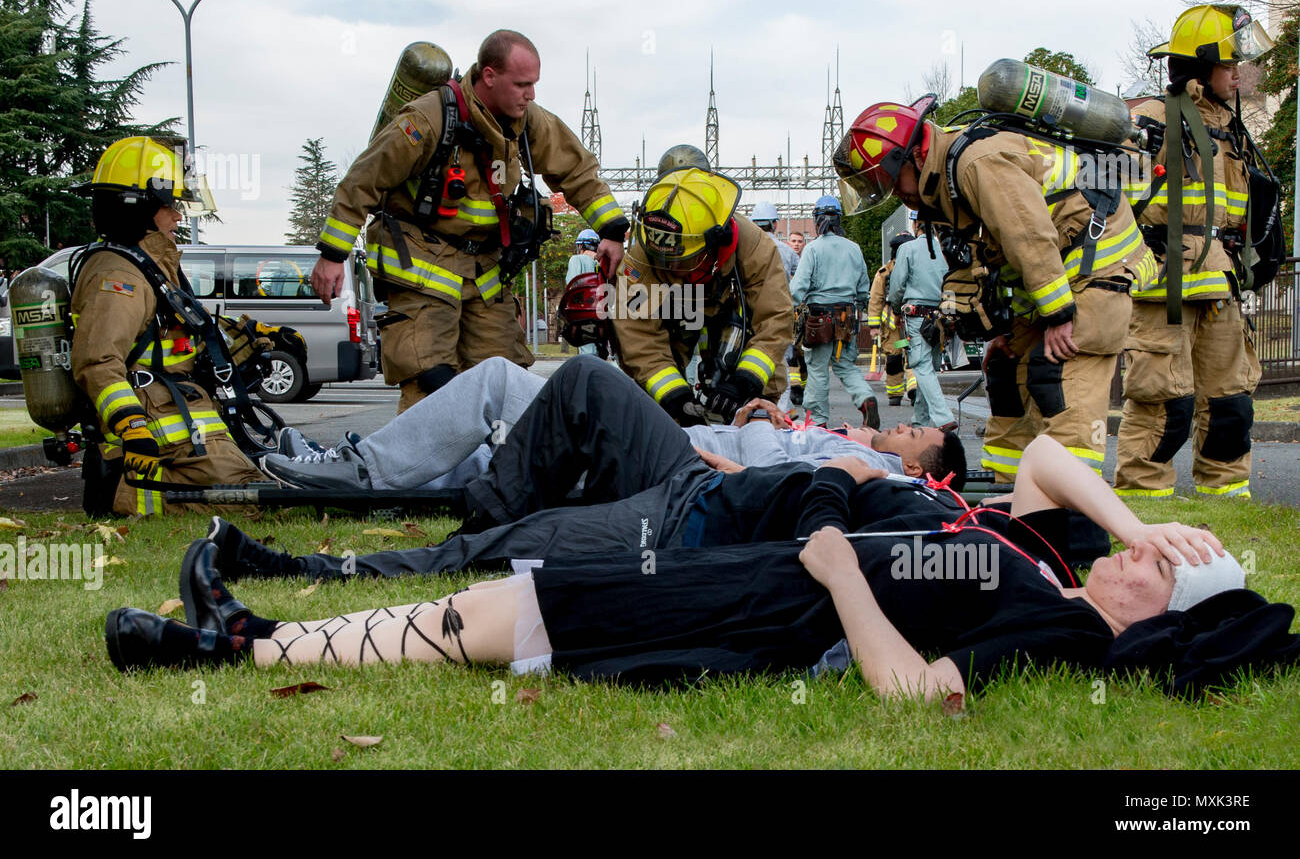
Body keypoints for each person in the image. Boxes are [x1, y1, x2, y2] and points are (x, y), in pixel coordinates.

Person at [106, 433, 1243, 704]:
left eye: (1162, 567)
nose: (1143, 556)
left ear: (1151, 617)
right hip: (742, 544)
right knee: (491, 592)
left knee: (511, 600)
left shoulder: (1062, 627)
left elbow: (926, 695)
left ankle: (243, 631)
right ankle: (245, 631)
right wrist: (1141, 516)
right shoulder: (1062, 559)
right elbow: (1049, 453)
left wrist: (844, 570)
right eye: (1153, 549)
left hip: (746, 586)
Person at [243, 355, 966, 580]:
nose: (900, 428)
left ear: (928, 470)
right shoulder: (834, 434)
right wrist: (757, 419)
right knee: (506, 404)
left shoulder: (873, 475)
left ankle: (376, 477)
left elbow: (765, 490)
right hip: (679, 445)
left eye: (914, 433)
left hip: (685, 472)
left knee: (574, 385)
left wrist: (728, 450)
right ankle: (345, 461)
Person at [836, 96, 1156, 482]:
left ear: (914, 158)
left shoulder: (976, 164)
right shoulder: (945, 185)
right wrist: (1003, 333)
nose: (893, 194)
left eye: (890, 182)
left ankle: (1069, 512)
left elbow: (1028, 235)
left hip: (1096, 270)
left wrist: (1058, 314)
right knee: (1004, 372)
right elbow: (993, 260)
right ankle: (1007, 494)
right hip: (1054, 274)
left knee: (1056, 371)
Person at [310, 30, 628, 414]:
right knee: (432, 379)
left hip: (482, 271)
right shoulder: (427, 119)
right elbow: (363, 179)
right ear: (489, 76)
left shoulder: (527, 122)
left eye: (534, 85)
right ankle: (424, 471)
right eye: (521, 84)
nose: (530, 95)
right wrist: (332, 254)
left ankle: (499, 469)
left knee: (504, 376)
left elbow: (577, 169)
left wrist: (611, 230)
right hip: (420, 265)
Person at [1116, 5, 1271, 499]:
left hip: (1219, 284)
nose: (1241, 76)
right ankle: (1144, 498)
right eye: (1231, 66)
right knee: (1162, 400)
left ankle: (1227, 494)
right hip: (1164, 289)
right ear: (1202, 67)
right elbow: (1106, 200)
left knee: (1231, 401)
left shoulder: (1230, 131)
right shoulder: (1151, 123)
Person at [69, 137, 268, 516]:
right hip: (161, 435)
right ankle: (120, 495)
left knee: (264, 485)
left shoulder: (152, 265)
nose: (178, 216)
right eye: (169, 205)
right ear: (139, 208)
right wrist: (131, 427)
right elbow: (97, 360)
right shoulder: (118, 276)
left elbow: (180, 333)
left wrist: (251, 338)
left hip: (185, 430)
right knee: (253, 501)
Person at [612, 151, 794, 425]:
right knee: (655, 398)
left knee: (754, 394)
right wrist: (675, 398)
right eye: (665, 263)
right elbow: (639, 337)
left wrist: (747, 380)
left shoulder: (753, 245)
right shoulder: (643, 253)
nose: (672, 270)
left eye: (683, 262)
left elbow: (774, 321)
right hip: (676, 312)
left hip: (732, 317)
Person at [789, 195, 880, 429]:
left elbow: (798, 289)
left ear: (818, 219)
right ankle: (865, 398)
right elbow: (862, 289)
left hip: (819, 319)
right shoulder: (854, 249)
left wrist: (785, 310)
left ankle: (817, 420)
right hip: (846, 318)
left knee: (818, 369)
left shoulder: (813, 249)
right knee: (845, 365)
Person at [890, 211, 956, 431]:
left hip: (917, 316)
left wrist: (896, 310)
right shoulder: (946, 249)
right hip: (941, 317)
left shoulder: (907, 249)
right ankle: (920, 422)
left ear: (915, 223)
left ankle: (943, 417)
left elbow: (898, 285)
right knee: (930, 368)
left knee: (921, 366)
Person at [749, 200, 801, 409]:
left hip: (751, 314)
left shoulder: (747, 250)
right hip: (780, 314)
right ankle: (782, 411)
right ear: (775, 224)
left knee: (752, 360)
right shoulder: (787, 251)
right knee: (781, 362)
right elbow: (799, 282)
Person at [868, 231, 917, 406]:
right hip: (893, 326)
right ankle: (895, 394)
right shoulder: (884, 272)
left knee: (913, 355)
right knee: (895, 357)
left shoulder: (917, 267)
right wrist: (874, 326)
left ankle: (914, 389)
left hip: (913, 320)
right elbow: (876, 299)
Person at [563, 229, 602, 356]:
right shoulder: (603, 262)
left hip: (584, 312)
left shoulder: (576, 259)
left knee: (587, 351)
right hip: (603, 312)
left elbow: (571, 284)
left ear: (581, 245)